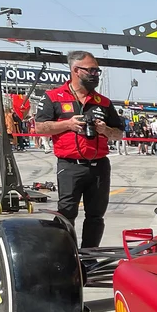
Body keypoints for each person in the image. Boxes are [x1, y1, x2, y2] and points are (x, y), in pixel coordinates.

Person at [34, 50, 125, 249]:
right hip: (70, 166)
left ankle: (89, 257)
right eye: (91, 70)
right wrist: (67, 124)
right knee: (66, 213)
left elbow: (119, 133)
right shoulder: (53, 97)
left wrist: (105, 130)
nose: (96, 74)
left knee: (96, 215)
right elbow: (39, 127)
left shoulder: (104, 102)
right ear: (76, 70)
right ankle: (66, 256)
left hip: (99, 166)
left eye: (97, 70)